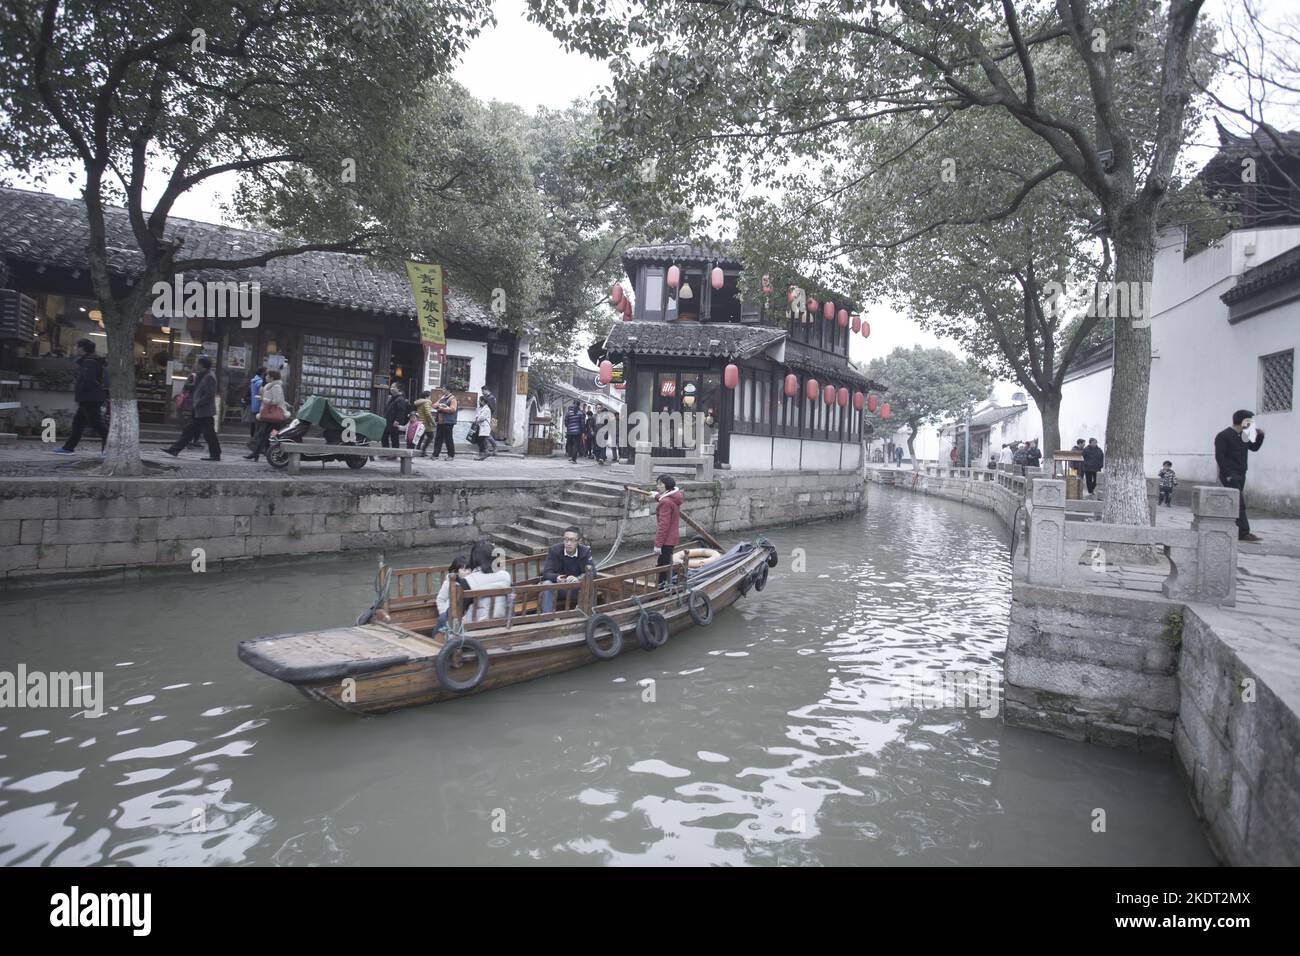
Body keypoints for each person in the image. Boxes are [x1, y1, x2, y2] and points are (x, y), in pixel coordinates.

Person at [1215, 409, 1266, 542]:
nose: (1252, 424)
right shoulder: (1223, 435)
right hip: (1230, 474)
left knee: (1235, 502)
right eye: (1250, 421)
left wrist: (1260, 436)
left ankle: (1233, 528)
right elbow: (1220, 457)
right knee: (1240, 502)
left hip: (1241, 473)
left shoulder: (1243, 436)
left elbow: (1254, 448)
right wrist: (1228, 475)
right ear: (1243, 421)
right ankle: (1243, 532)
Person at [54, 338, 109, 455]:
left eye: (77, 346)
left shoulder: (90, 362)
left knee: (96, 423)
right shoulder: (91, 360)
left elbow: (88, 380)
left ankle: (111, 445)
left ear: (83, 349)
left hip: (90, 398)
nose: (76, 349)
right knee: (79, 422)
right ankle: (68, 448)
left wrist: (81, 390)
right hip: (90, 397)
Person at [163, 356, 221, 460]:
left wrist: (198, 403)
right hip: (199, 411)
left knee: (209, 434)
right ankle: (174, 449)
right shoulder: (201, 375)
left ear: (202, 365)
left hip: (205, 411)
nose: (195, 365)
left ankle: (215, 454)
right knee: (188, 431)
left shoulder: (209, 376)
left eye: (197, 363)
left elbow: (209, 394)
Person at [539, 526, 594, 614]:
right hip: (559, 588)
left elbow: (593, 572)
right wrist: (557, 578)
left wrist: (578, 578)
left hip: (576, 589)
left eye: (572, 540)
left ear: (578, 541)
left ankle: (587, 616)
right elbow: (546, 573)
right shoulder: (554, 550)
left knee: (590, 584)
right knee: (547, 584)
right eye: (566, 539)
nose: (568, 543)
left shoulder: (585, 551)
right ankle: (546, 619)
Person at [460, 540, 513, 622]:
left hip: (475, 626)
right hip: (502, 621)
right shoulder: (506, 575)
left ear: (474, 558)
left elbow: (461, 609)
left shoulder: (468, 581)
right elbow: (510, 600)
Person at [243, 369, 287, 461]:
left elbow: (276, 401)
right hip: (270, 415)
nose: (265, 377)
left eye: (267, 376)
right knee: (264, 435)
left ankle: (276, 454)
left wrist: (263, 399)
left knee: (273, 435)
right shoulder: (270, 386)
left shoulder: (276, 387)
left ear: (272, 377)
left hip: (274, 415)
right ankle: (257, 453)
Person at [653, 474, 684, 587]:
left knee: (664, 565)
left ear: (667, 486)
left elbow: (663, 526)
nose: (658, 486)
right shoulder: (674, 498)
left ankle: (663, 588)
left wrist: (658, 544)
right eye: (657, 483)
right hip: (672, 538)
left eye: (660, 484)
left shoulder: (665, 502)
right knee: (663, 562)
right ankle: (663, 585)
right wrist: (656, 496)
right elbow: (664, 498)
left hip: (666, 540)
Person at [431, 388, 458, 459]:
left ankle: (451, 455)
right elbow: (434, 405)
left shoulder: (452, 399)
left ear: (448, 390)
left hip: (448, 421)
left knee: (448, 439)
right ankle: (435, 454)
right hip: (440, 421)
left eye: (444, 389)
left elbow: (453, 409)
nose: (442, 391)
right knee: (438, 438)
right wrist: (436, 406)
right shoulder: (442, 398)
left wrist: (442, 409)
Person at [382, 383, 409, 449]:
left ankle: (394, 453)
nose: (391, 389)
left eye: (394, 387)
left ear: (398, 389)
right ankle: (386, 452)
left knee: (394, 438)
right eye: (391, 387)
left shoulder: (400, 399)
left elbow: (401, 411)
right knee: (384, 436)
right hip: (388, 420)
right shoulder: (391, 398)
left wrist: (397, 421)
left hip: (394, 422)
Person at [470, 394, 493, 460]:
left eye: (479, 400)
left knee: (481, 441)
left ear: (483, 401)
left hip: (484, 427)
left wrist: (477, 419)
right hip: (480, 427)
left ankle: (484, 453)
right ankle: (483, 453)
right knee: (479, 440)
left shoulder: (486, 409)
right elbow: (477, 416)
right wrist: (477, 418)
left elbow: (481, 417)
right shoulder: (481, 408)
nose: (479, 402)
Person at [413, 390, 435, 456]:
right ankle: (423, 450)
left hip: (420, 421)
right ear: (426, 396)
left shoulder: (419, 402)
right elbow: (428, 413)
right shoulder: (427, 402)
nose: (430, 397)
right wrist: (433, 422)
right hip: (426, 423)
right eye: (430, 396)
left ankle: (418, 451)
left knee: (421, 437)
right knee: (431, 436)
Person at [247, 366, 265, 439]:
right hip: (259, 405)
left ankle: (252, 438)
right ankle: (255, 440)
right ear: (263, 373)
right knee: (258, 424)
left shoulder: (253, 381)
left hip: (254, 404)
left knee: (254, 423)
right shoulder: (260, 382)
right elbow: (262, 394)